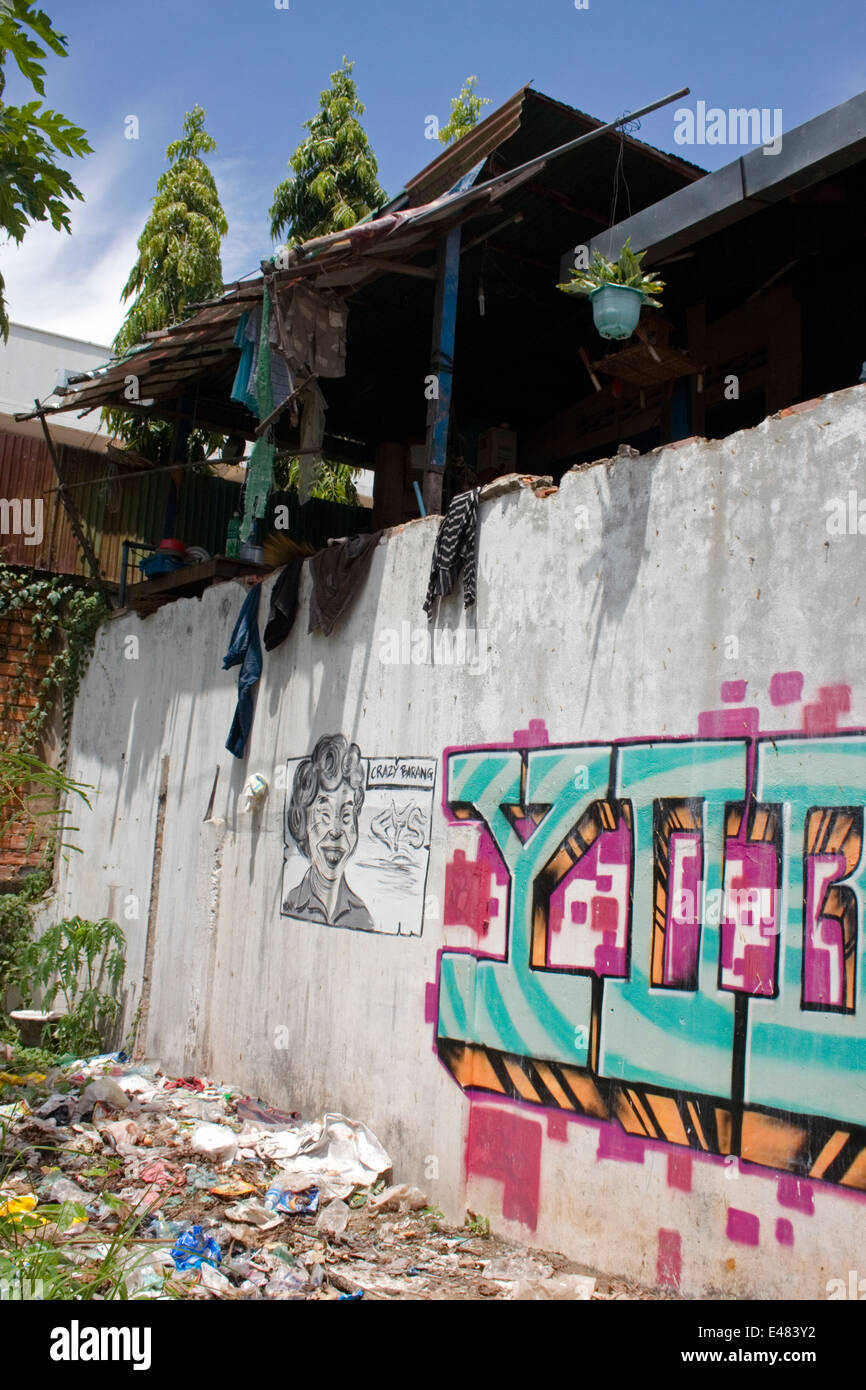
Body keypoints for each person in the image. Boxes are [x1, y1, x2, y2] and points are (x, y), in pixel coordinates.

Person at [283, 733, 374, 930]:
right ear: (302, 821)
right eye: (324, 814)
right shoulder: (289, 904)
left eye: (346, 816)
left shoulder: (363, 918)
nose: (336, 831)